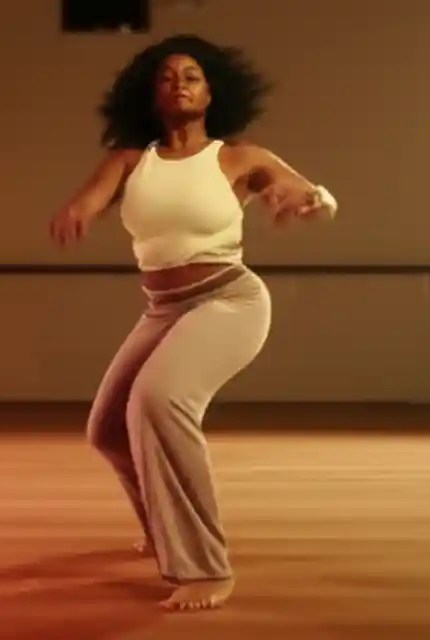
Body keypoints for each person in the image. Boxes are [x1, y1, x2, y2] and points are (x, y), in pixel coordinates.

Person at [48, 34, 338, 611]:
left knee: (159, 401)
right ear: (149, 94)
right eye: (166, 77)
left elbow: (313, 196)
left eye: (191, 76)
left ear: (212, 93)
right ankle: (165, 529)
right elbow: (88, 201)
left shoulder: (239, 158)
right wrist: (76, 212)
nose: (178, 84)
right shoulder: (130, 161)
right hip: (163, 310)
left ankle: (204, 567)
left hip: (229, 302)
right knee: (108, 430)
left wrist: (307, 201)